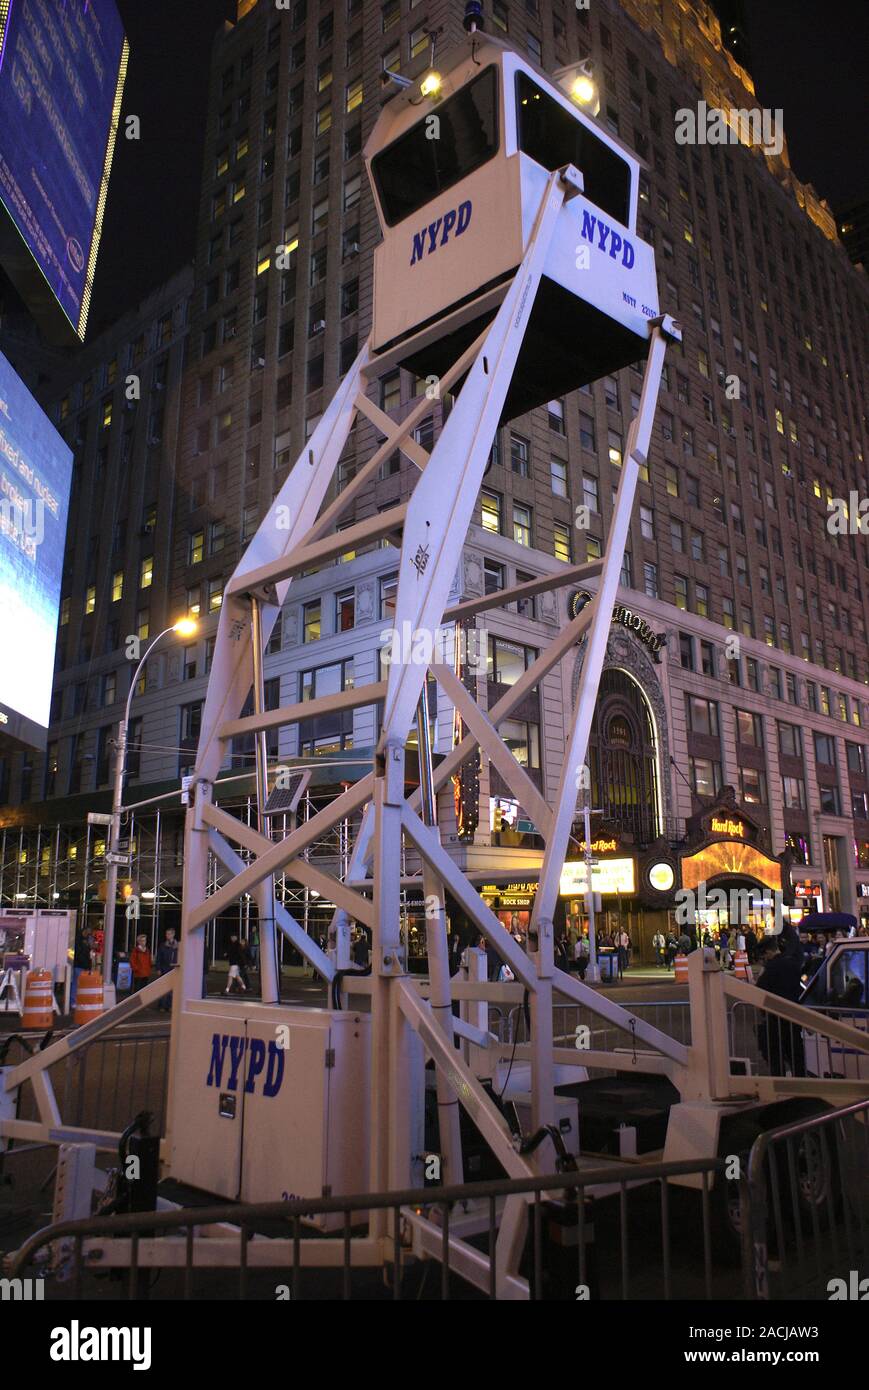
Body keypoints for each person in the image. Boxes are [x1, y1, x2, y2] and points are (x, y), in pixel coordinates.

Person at [756, 935, 806, 1077]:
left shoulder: (770, 969)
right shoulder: (793, 964)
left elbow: (759, 990)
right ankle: (803, 1087)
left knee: (776, 1058)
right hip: (793, 1017)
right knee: (796, 1056)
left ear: (768, 953)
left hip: (774, 1019)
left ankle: (781, 1087)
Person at [155, 928, 179, 1011]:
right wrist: (158, 968)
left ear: (173, 934)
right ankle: (161, 1006)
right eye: (166, 934)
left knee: (172, 990)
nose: (167, 936)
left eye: (168, 934)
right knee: (162, 989)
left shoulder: (177, 946)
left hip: (174, 970)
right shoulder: (162, 946)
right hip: (164, 969)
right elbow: (158, 958)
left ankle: (169, 1006)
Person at [71, 926, 94, 1007]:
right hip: (80, 964)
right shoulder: (79, 940)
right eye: (88, 931)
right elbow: (79, 953)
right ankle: (74, 1001)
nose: (89, 933)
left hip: (84, 964)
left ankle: (75, 1001)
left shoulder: (86, 940)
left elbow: (90, 950)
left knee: (78, 983)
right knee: (77, 983)